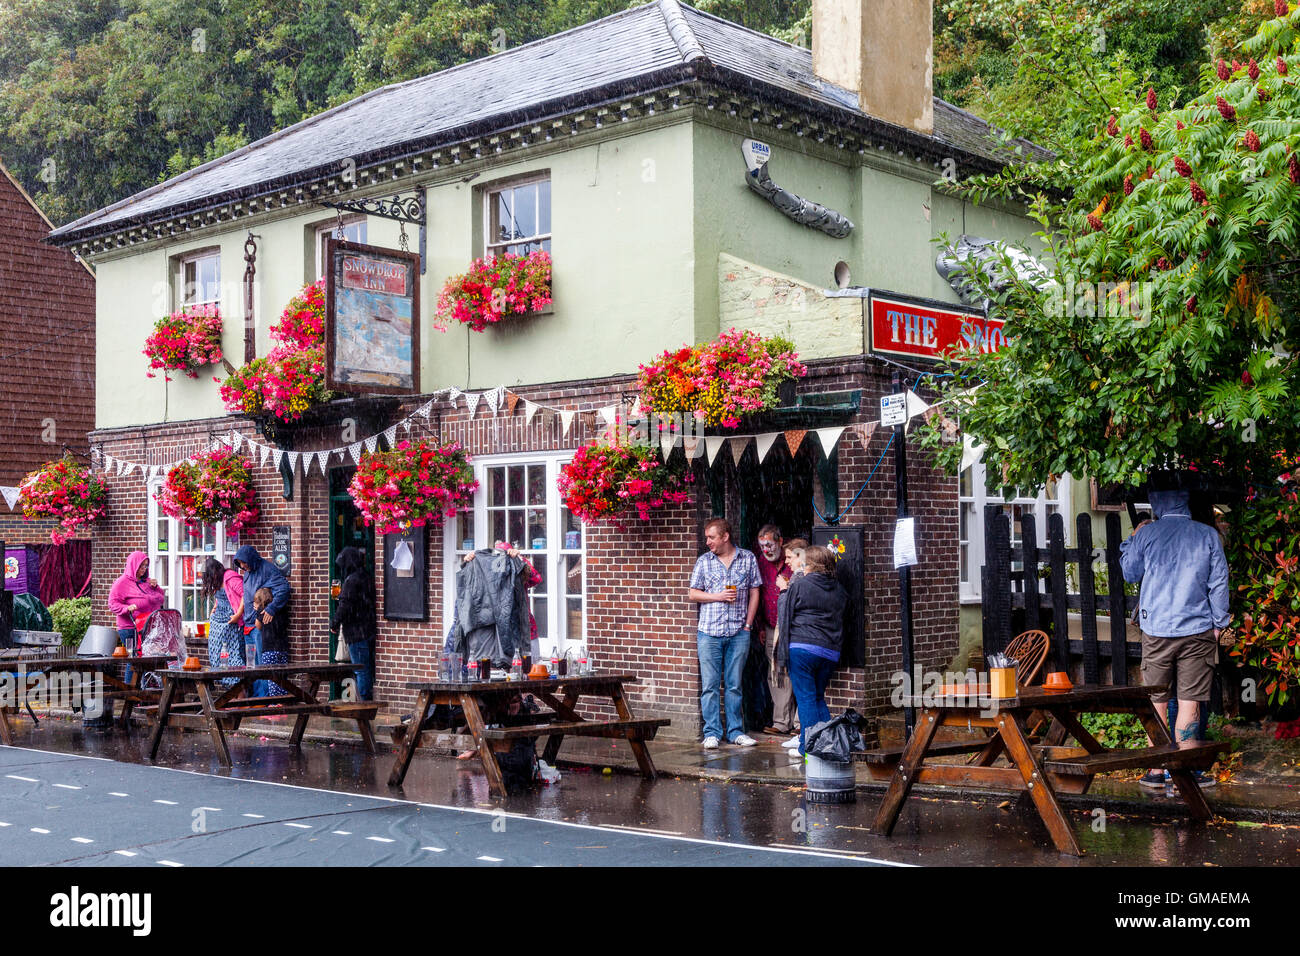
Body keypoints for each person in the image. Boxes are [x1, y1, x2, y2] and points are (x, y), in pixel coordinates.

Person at [1120, 487, 1230, 789]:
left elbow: (1129, 573)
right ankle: (1185, 771)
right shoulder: (1206, 535)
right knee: (1189, 700)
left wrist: (1132, 539)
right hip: (1197, 629)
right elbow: (1218, 582)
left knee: (1156, 700)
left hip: (1156, 629)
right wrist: (1219, 622)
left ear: (1156, 502)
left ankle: (1156, 770)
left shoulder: (1148, 533)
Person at [688, 517, 762, 749]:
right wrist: (717, 596)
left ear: (725, 536)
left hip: (738, 632)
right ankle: (711, 732)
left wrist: (748, 626)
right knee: (710, 685)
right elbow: (693, 593)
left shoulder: (747, 558)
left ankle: (735, 731)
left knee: (734, 684)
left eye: (711, 537)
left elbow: (755, 592)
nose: (707, 542)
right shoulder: (704, 561)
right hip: (709, 633)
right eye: (707, 538)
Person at [775, 544, 847, 759]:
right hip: (829, 651)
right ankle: (827, 744)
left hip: (802, 648)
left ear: (810, 565)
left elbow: (785, 614)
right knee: (817, 697)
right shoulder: (840, 590)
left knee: (806, 699)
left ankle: (807, 747)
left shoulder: (801, 585)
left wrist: (784, 592)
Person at [103, 551, 165, 727]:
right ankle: (130, 695)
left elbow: (158, 599)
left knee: (145, 660)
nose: (143, 570)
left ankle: (143, 694)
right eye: (141, 566)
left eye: (146, 566)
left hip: (146, 627)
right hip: (129, 628)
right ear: (133, 565)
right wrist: (127, 608)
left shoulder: (145, 582)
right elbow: (112, 604)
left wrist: (156, 587)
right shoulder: (121, 583)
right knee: (134, 660)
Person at [754, 525, 796, 738]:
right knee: (776, 673)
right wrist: (760, 626)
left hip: (795, 626)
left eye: (769, 545)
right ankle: (781, 722)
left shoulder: (793, 561)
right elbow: (759, 595)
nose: (767, 550)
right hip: (771, 626)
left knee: (797, 670)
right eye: (762, 547)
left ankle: (799, 723)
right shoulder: (761, 563)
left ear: (780, 541)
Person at [233, 545, 290, 698]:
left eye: (244, 562)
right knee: (252, 666)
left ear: (251, 558)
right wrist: (240, 615)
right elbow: (246, 597)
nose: (242, 566)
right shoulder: (246, 574)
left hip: (260, 627)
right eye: (239, 563)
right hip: (247, 624)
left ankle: (264, 699)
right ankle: (256, 699)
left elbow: (284, 588)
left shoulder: (268, 569)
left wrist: (272, 608)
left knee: (262, 665)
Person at [330, 546, 376, 701]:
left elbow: (345, 605)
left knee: (360, 669)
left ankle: (364, 701)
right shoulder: (366, 577)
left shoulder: (351, 581)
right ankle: (364, 698)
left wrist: (334, 623)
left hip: (356, 631)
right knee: (365, 667)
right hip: (367, 628)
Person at [775, 537, 808, 750]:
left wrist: (784, 590)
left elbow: (787, 610)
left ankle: (804, 736)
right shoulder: (804, 577)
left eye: (788, 557)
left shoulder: (798, 578)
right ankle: (803, 733)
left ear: (800, 556)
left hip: (798, 639)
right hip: (805, 640)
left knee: (804, 691)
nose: (786, 561)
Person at [200, 557, 245, 679]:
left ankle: (239, 690)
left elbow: (245, 594)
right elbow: (221, 597)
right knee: (217, 654)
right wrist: (215, 608)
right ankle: (229, 690)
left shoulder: (230, 577)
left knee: (233, 655)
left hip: (231, 621)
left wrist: (238, 614)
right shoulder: (218, 580)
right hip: (218, 620)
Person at [252, 587, 289, 696]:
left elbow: (257, 626)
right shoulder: (280, 609)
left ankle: (275, 703)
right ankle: (283, 701)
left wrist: (257, 611)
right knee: (282, 677)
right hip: (282, 648)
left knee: (272, 678)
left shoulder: (262, 610)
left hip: (269, 649)